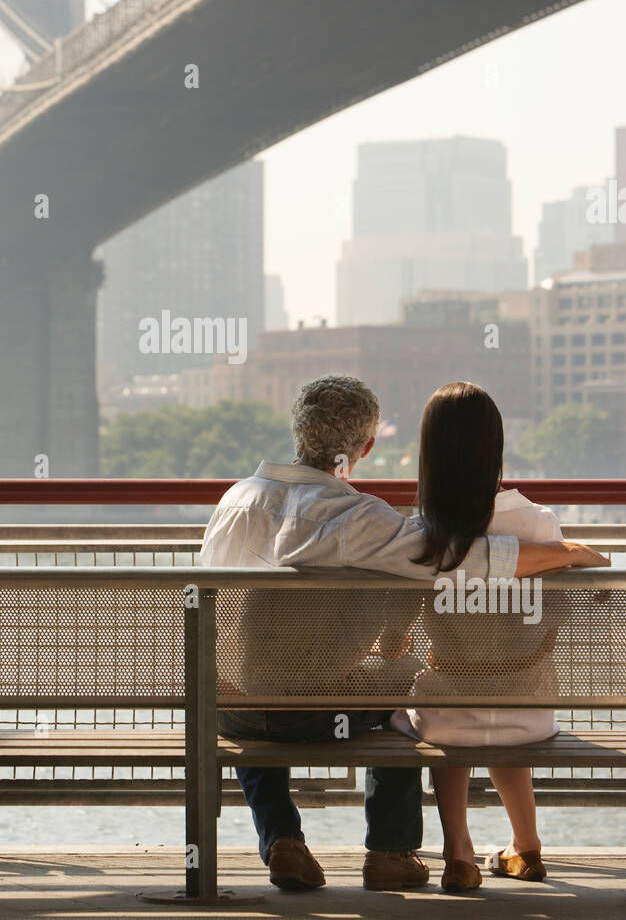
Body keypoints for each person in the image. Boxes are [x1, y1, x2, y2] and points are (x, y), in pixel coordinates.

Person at [201, 375, 608, 893]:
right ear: (367, 445)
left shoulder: (236, 499)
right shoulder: (354, 516)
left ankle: (282, 834)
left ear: (297, 429)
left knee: (250, 684)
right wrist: (568, 553)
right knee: (405, 688)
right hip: (308, 710)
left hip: (226, 705)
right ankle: (390, 850)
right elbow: (457, 558)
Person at [391, 381, 585, 892]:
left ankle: (459, 852)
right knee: (497, 698)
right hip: (530, 717)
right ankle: (527, 844)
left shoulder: (422, 533)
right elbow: (556, 615)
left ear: (429, 453)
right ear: (494, 448)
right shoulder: (539, 523)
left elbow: (392, 641)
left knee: (439, 704)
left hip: (449, 720)